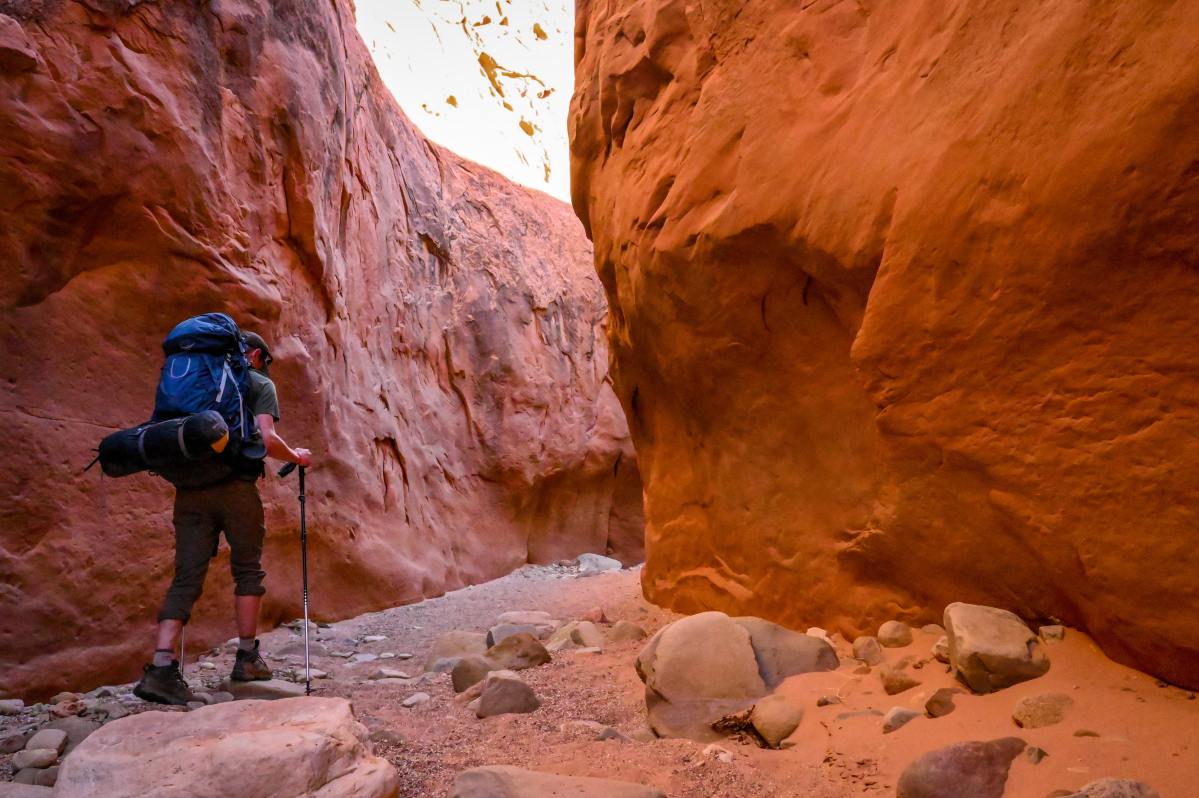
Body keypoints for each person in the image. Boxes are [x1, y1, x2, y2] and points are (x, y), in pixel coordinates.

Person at [133, 331, 312, 705]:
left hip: (190, 491)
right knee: (248, 570)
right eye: (264, 358)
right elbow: (266, 438)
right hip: (235, 489)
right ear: (256, 354)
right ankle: (247, 659)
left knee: (185, 576)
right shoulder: (259, 382)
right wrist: (297, 456)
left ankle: (162, 668)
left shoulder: (192, 378)